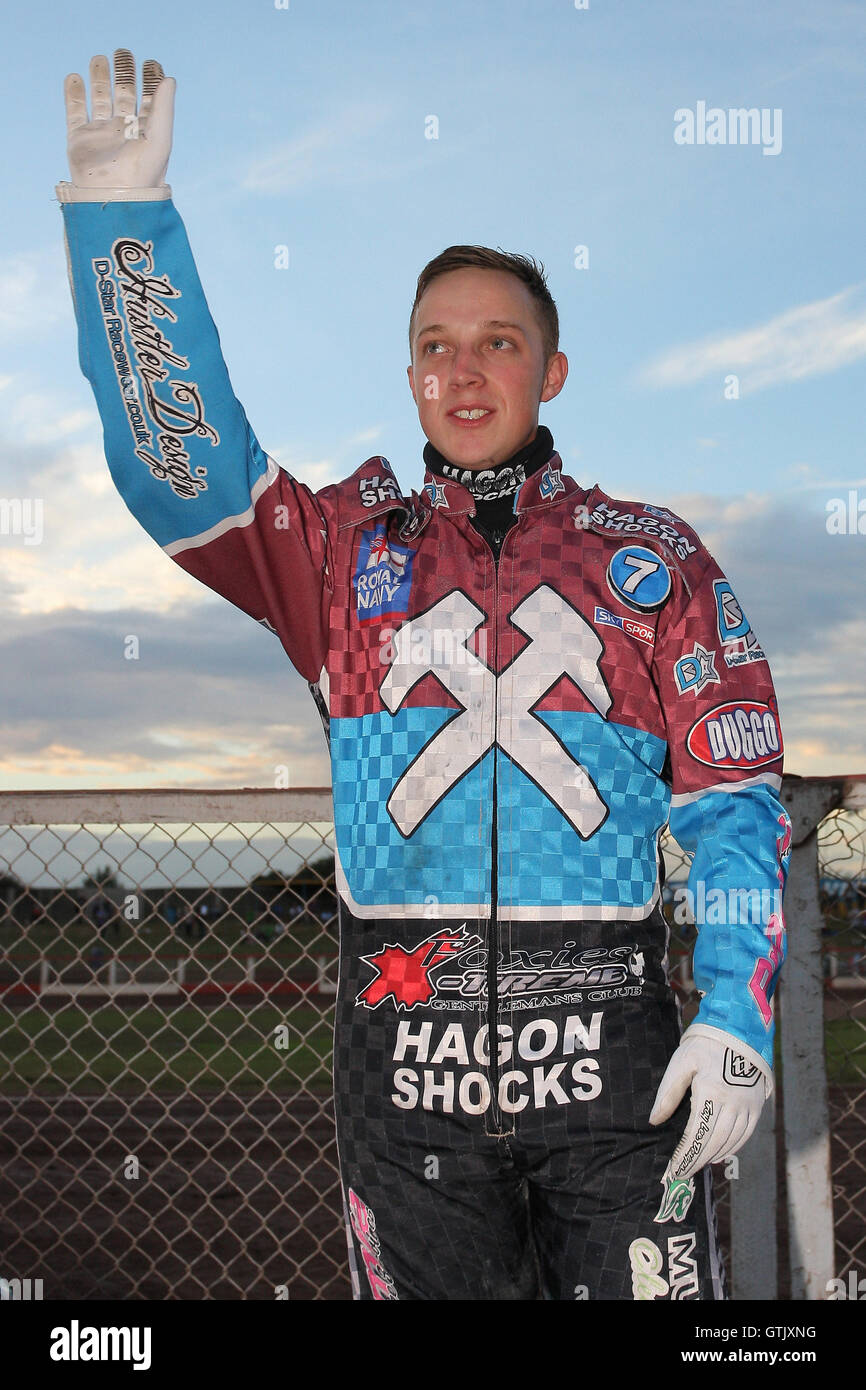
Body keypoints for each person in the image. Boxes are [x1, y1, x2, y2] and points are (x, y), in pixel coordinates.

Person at [57, 51, 791, 1301]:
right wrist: (122, 228)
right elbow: (185, 474)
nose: (462, 372)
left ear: (549, 372)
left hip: (619, 1089)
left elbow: (732, 806)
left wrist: (736, 1011)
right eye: (434, 347)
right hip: (402, 1101)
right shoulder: (342, 552)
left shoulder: (650, 558)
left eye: (497, 343)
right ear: (408, 374)